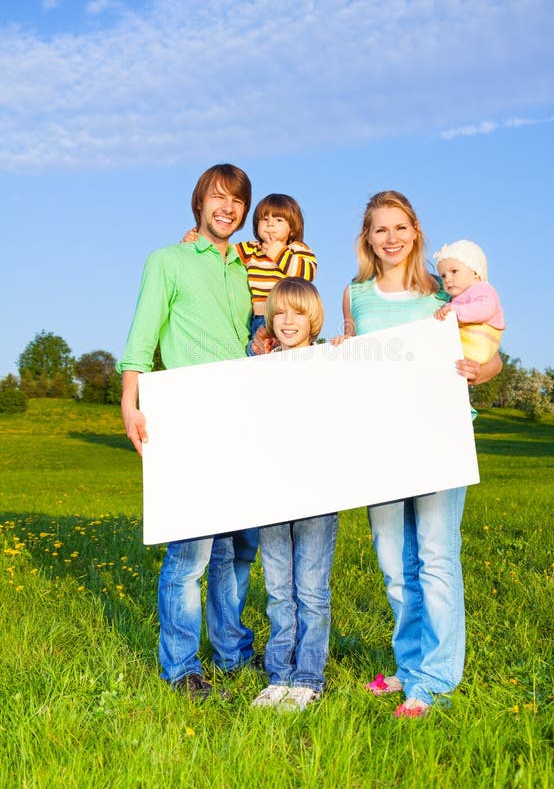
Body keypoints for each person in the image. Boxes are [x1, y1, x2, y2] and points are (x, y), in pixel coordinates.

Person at [338, 191, 502, 718]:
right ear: (368, 237)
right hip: (377, 442)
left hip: (438, 436)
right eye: (380, 229)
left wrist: (482, 371)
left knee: (435, 556)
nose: (391, 238)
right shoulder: (355, 294)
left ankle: (434, 680)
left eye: (400, 227)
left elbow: (490, 351)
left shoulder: (444, 291)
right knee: (392, 563)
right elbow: (349, 357)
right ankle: (408, 667)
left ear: (416, 232)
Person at [117, 163, 260, 700]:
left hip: (241, 416)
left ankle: (232, 654)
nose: (227, 208)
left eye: (237, 201)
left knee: (236, 548)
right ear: (199, 203)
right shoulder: (167, 260)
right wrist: (130, 401)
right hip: (189, 417)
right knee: (192, 553)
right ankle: (181, 669)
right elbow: (142, 332)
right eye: (218, 198)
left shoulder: (246, 269)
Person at [251, 278, 338, 711]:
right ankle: (278, 675)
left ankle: (308, 677)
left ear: (313, 319)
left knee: (311, 590)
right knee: (278, 589)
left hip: (317, 492)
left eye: (297, 313)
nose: (288, 321)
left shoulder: (329, 360)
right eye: (280, 313)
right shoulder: (258, 366)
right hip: (271, 490)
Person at [182, 193, 317, 352]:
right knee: (253, 350)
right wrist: (195, 241)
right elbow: (221, 252)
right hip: (259, 317)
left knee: (290, 350)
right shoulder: (251, 249)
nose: (270, 225)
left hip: (288, 316)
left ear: (292, 229)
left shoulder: (297, 249)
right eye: (265, 219)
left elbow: (307, 274)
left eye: (278, 220)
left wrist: (278, 252)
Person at [433, 239, 505, 363]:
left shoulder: (481, 288)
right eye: (443, 275)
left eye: (454, 271)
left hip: (479, 340)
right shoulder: (456, 298)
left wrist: (453, 310)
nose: (447, 279)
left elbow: (486, 308)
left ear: (476, 272)